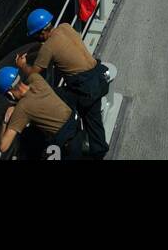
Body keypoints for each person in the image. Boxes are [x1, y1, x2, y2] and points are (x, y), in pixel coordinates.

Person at [15, 9, 109, 160]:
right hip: (97, 78)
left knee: (52, 99)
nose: (38, 39)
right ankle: (99, 151)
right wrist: (38, 49)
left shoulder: (48, 47)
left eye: (36, 36)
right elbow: (58, 46)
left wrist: (22, 65)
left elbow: (34, 73)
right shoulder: (65, 27)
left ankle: (60, 137)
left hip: (84, 89)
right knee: (94, 122)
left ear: (41, 33)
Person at [0, 66, 83, 161]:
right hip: (77, 128)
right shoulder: (37, 79)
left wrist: (5, 120)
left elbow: (3, 147)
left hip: (66, 147)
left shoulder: (22, 108)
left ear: (9, 94)